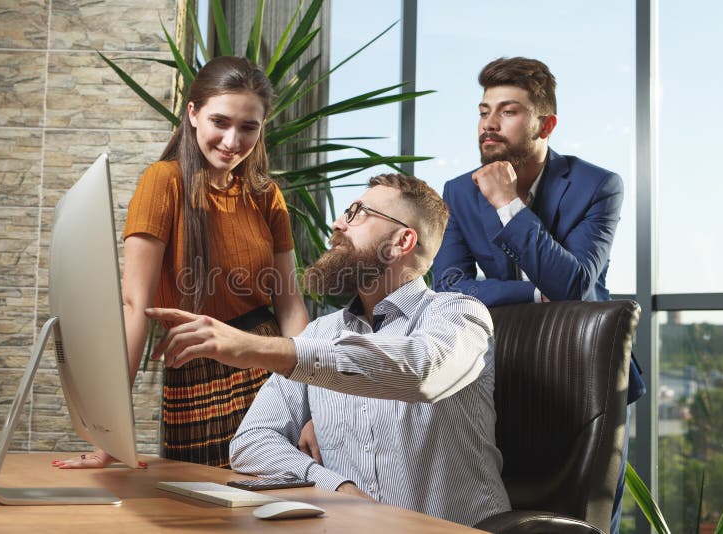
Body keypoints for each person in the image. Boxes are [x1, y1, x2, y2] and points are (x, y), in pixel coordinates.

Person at [145, 173, 511, 527]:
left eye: (358, 214)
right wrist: (333, 485)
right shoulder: (322, 331)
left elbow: (420, 372)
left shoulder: (459, 315)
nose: (338, 223)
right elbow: (251, 443)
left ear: (403, 241)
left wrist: (254, 348)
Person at [55, 56, 309, 469]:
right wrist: (109, 435)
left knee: (275, 513)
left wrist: (308, 404)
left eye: (249, 127)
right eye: (220, 122)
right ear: (192, 114)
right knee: (201, 513)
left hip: (269, 376)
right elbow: (134, 305)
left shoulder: (266, 195)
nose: (232, 140)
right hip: (197, 381)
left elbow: (291, 306)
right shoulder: (164, 182)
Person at [431, 56, 644, 534]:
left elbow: (572, 283)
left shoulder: (597, 186)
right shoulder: (459, 192)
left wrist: (508, 203)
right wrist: (530, 292)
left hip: (590, 370)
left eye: (508, 111)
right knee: (505, 513)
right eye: (484, 111)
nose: (489, 124)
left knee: (584, 516)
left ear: (545, 123)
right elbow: (447, 287)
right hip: (506, 369)